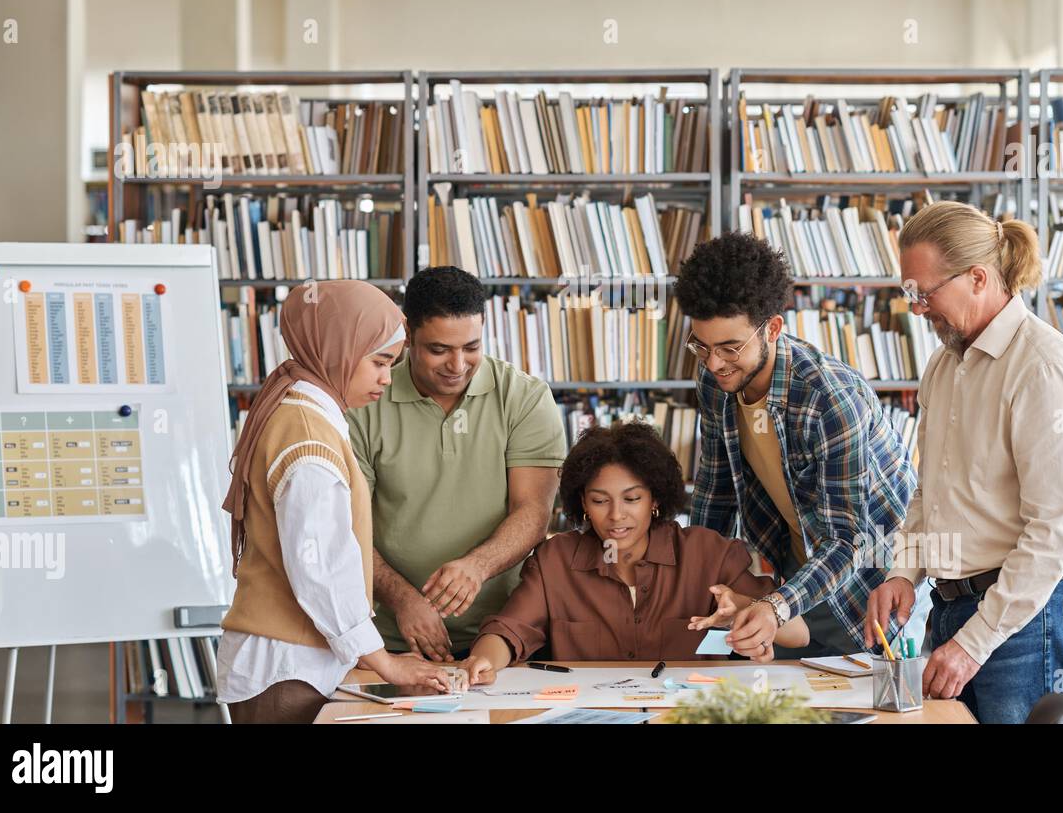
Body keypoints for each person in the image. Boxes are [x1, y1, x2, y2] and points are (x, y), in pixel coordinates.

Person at [866, 201, 1063, 724]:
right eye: (910, 292)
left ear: (978, 277)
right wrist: (903, 573)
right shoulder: (944, 364)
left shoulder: (1041, 367)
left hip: (1027, 614)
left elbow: (1054, 530)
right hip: (953, 605)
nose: (917, 308)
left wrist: (974, 643)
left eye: (925, 293)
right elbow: (929, 491)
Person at [676, 232, 917, 658]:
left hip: (870, 580)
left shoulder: (829, 398)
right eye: (703, 346)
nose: (714, 363)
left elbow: (848, 539)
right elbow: (715, 496)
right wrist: (692, 583)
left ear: (772, 328)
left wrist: (775, 605)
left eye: (731, 347)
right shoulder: (716, 382)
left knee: (852, 707)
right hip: (798, 569)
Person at [218, 281, 450, 724]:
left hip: (292, 664)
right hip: (287, 669)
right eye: (379, 362)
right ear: (337, 349)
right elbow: (320, 567)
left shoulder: (300, 410)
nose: (387, 377)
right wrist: (386, 661)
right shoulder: (307, 435)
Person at [460, 422, 809, 683]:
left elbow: (798, 633)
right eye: (599, 500)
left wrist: (746, 609)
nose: (616, 516)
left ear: (655, 499)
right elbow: (509, 631)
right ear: (582, 503)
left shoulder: (707, 553)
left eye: (632, 499)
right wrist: (483, 659)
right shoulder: (556, 560)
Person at [347, 266, 567, 661]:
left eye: (471, 347)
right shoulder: (365, 403)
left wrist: (477, 567)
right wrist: (403, 600)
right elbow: (350, 526)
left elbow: (534, 511)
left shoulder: (525, 397)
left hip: (505, 635)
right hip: (387, 643)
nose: (458, 365)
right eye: (439, 350)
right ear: (407, 335)